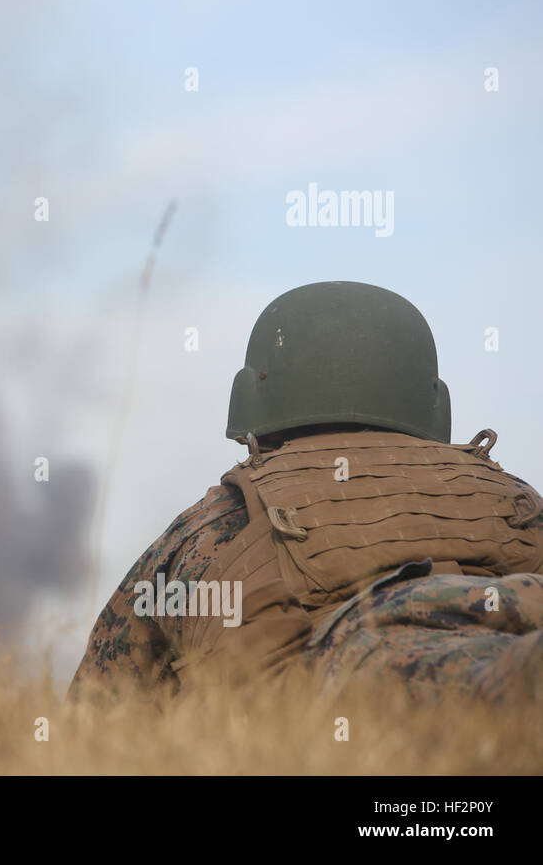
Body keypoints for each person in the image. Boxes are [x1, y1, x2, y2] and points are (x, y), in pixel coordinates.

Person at [69, 280, 543, 702]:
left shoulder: (218, 521)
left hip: (363, 683)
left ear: (252, 397)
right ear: (433, 398)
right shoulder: (515, 496)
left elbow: (93, 724)